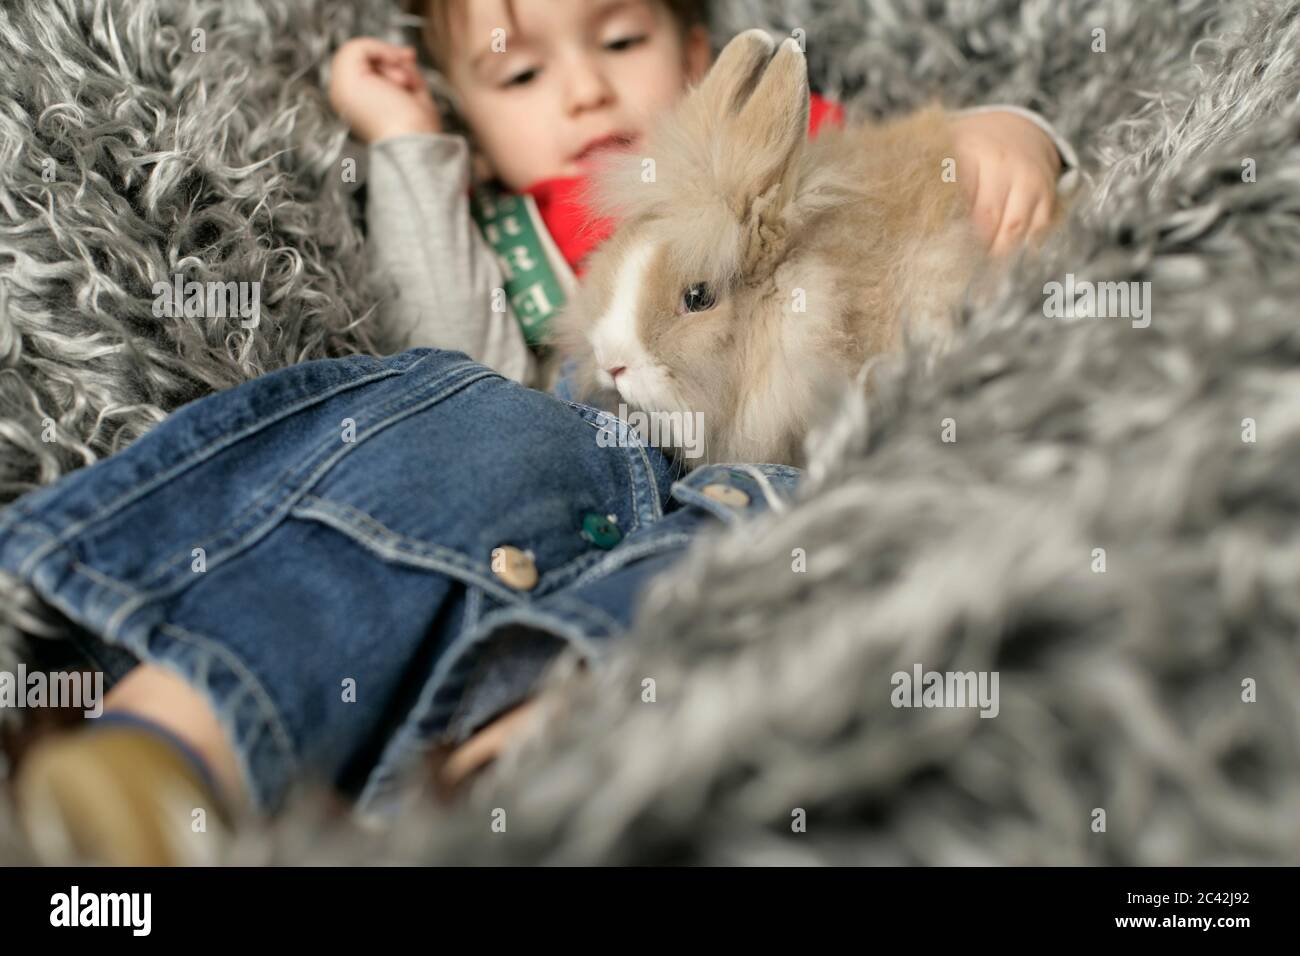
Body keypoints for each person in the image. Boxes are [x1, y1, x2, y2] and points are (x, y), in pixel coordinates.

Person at [5, 0, 1079, 865]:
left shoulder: (784, 166)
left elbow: (919, 193)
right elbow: (446, 352)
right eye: (519, 74)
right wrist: (411, 147)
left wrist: (1007, 136)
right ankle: (167, 744)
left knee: (701, 601)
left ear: (701, 57)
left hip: (737, 492)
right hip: (533, 453)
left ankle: (491, 802)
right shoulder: (519, 234)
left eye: (620, 39)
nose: (583, 88)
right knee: (416, 457)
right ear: (474, 116)